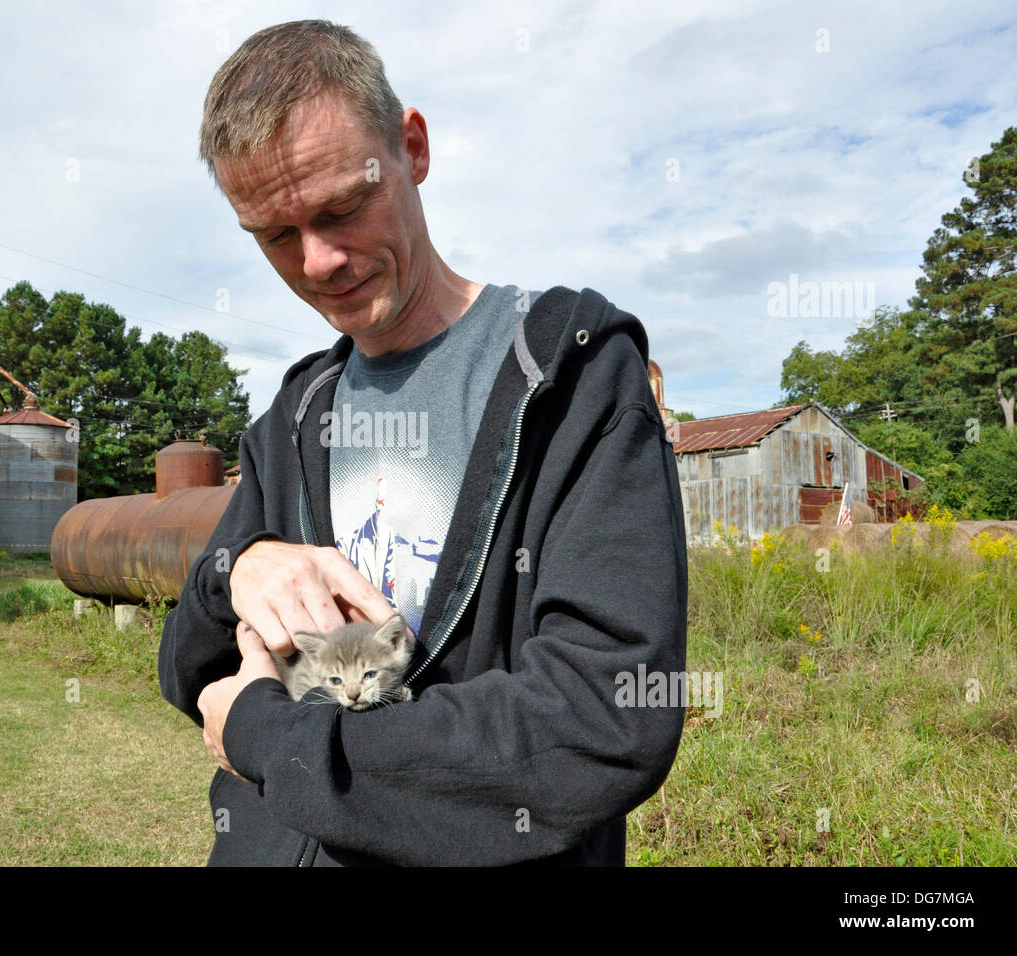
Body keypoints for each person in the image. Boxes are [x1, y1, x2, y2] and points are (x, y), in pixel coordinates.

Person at [158, 19, 688, 866]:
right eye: (275, 236)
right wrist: (239, 568)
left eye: (342, 208)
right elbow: (186, 669)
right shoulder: (298, 412)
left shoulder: (571, 375)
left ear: (412, 148)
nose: (320, 260)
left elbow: (603, 718)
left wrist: (275, 740)